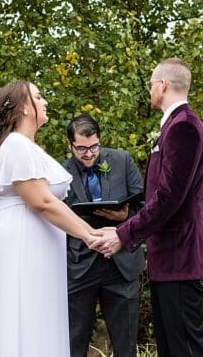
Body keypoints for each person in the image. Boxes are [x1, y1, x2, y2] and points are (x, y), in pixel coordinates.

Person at [96, 58, 203, 357]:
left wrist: (124, 234)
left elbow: (169, 198)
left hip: (181, 256)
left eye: (152, 83)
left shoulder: (184, 127)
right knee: (170, 348)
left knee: (184, 348)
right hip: (170, 258)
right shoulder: (175, 126)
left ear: (162, 85)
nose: (150, 90)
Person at [0, 81, 102, 357]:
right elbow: (42, 201)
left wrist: (87, 231)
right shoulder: (17, 146)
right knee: (26, 319)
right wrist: (89, 235)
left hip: (30, 246)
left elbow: (48, 202)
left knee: (36, 318)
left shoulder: (24, 146)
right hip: (21, 248)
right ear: (24, 109)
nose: (44, 102)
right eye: (38, 97)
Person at [61, 114, 145, 357]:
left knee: (126, 346)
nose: (89, 154)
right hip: (80, 267)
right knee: (74, 343)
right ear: (70, 145)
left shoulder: (122, 160)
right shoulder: (60, 172)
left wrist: (124, 220)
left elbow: (147, 208)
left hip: (121, 266)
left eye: (94, 147)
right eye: (81, 149)